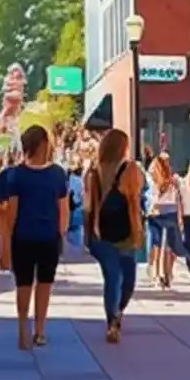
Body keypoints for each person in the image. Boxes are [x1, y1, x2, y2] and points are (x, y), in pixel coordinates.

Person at [6, 125, 70, 349]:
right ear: (43, 144)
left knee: (23, 283)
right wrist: (60, 233)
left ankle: (23, 325)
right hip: (48, 236)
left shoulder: (16, 174)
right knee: (44, 284)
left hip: (22, 236)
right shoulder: (57, 174)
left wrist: (8, 238)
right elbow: (63, 209)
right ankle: (39, 330)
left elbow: (12, 211)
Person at [85, 129, 143, 344]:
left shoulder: (92, 170)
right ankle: (115, 317)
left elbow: (88, 206)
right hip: (125, 232)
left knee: (113, 277)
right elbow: (135, 199)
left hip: (100, 232)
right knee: (126, 280)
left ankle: (113, 319)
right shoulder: (130, 169)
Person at [146, 153, 187, 289]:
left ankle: (157, 273)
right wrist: (180, 216)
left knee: (157, 243)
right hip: (168, 211)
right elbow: (179, 198)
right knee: (166, 244)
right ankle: (164, 273)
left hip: (157, 211)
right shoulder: (171, 178)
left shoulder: (154, 177)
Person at [67, 162, 86, 250]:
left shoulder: (68, 179)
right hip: (77, 207)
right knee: (76, 230)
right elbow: (82, 195)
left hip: (69, 207)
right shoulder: (80, 181)